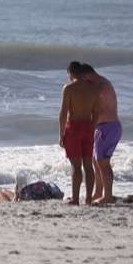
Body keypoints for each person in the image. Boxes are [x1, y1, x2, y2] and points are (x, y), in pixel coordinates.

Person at [80, 64, 121, 204]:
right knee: (96, 161)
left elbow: (88, 98)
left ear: (87, 76)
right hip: (102, 128)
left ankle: (108, 196)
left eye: (83, 79)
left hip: (108, 127)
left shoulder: (102, 86)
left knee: (102, 162)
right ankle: (98, 193)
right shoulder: (97, 85)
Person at [58, 61, 97, 205]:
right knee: (88, 165)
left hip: (73, 127)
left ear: (70, 72)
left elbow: (63, 113)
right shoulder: (93, 89)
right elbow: (96, 114)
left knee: (75, 165)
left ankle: (75, 199)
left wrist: (61, 134)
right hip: (88, 127)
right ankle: (88, 199)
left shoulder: (68, 88)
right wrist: (92, 128)